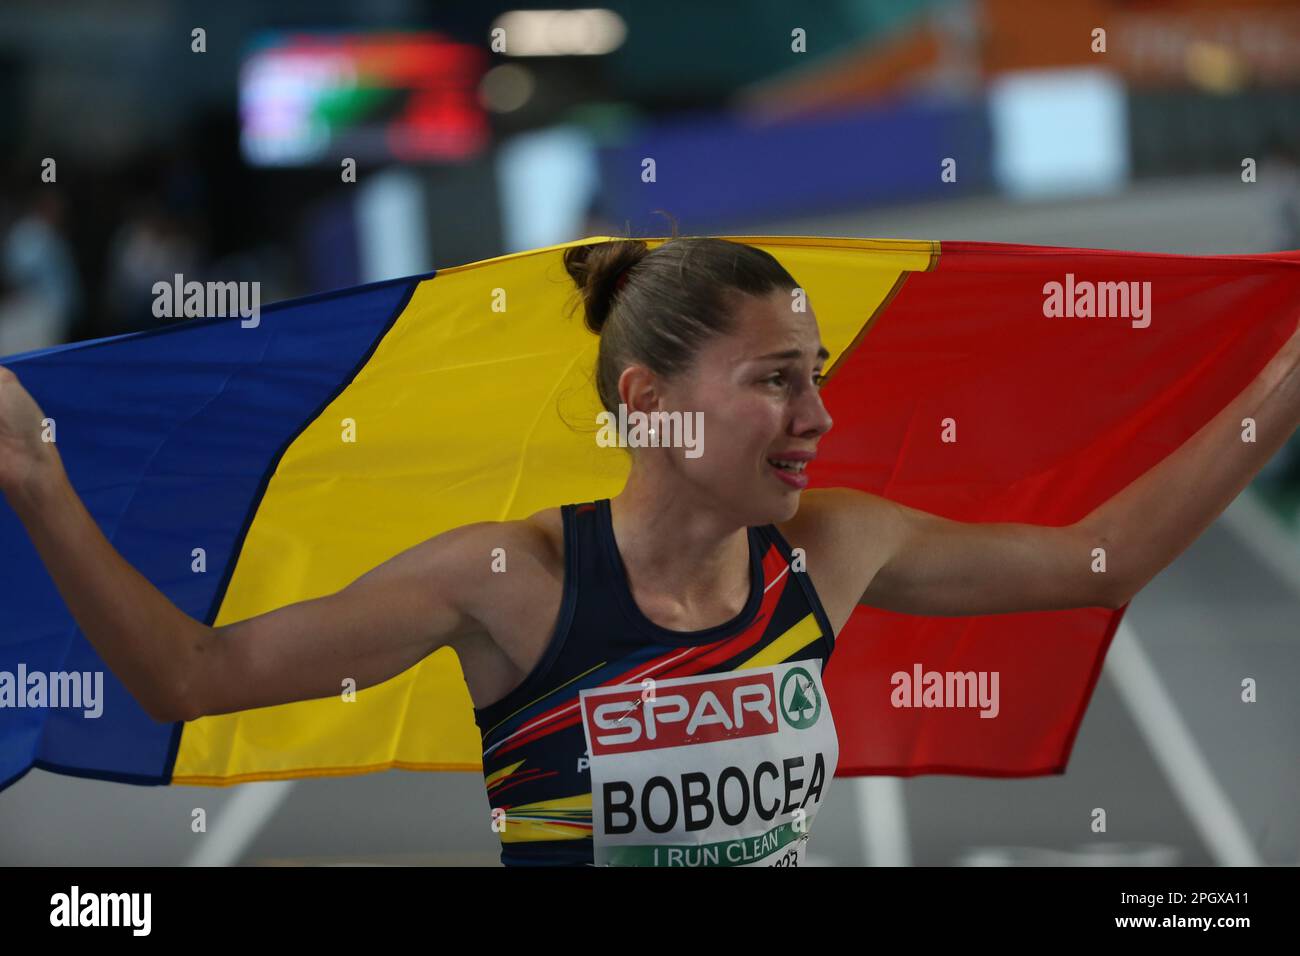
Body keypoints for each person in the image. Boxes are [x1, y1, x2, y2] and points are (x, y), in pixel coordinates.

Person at [2, 235, 1299, 866]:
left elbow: (1101, 562)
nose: (820, 418)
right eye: (778, 383)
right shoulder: (508, 583)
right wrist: (40, 483)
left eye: (821, 377)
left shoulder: (831, 551)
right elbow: (196, 676)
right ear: (649, 401)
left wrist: (1288, 377)